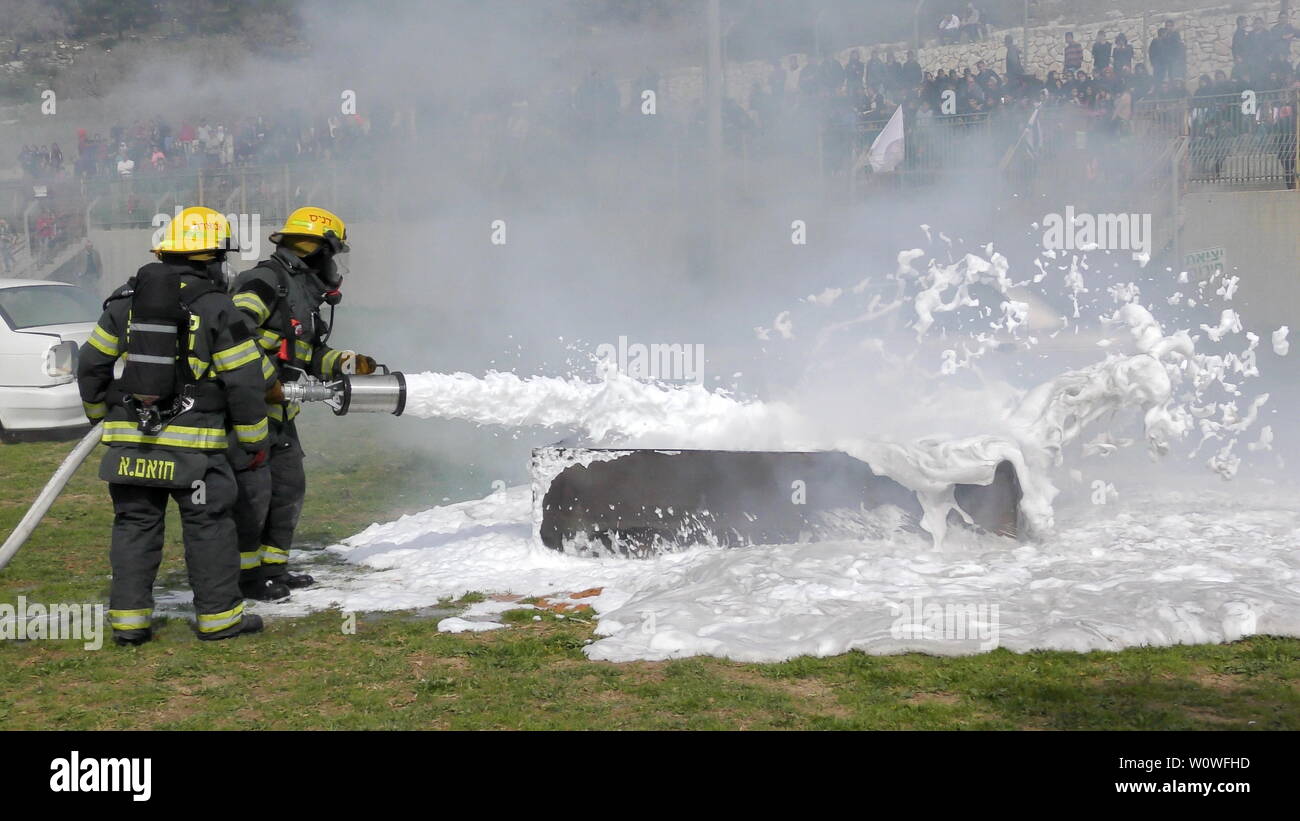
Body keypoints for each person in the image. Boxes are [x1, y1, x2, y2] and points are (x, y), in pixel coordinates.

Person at [76, 206, 269, 645]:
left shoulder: (124, 302)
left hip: (131, 443)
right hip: (195, 448)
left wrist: (99, 416)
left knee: (133, 524)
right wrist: (254, 440)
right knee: (209, 526)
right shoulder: (218, 307)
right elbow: (244, 381)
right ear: (210, 258)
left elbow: (91, 364)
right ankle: (219, 619)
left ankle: (129, 624)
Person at [227, 207, 380, 600]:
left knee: (287, 490)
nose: (335, 264)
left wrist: (346, 363)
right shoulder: (263, 282)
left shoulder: (302, 293)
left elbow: (305, 354)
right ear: (316, 250)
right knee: (253, 498)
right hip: (246, 413)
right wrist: (265, 383)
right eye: (334, 253)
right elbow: (233, 335)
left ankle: (273, 570)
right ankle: (245, 578)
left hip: (281, 413)